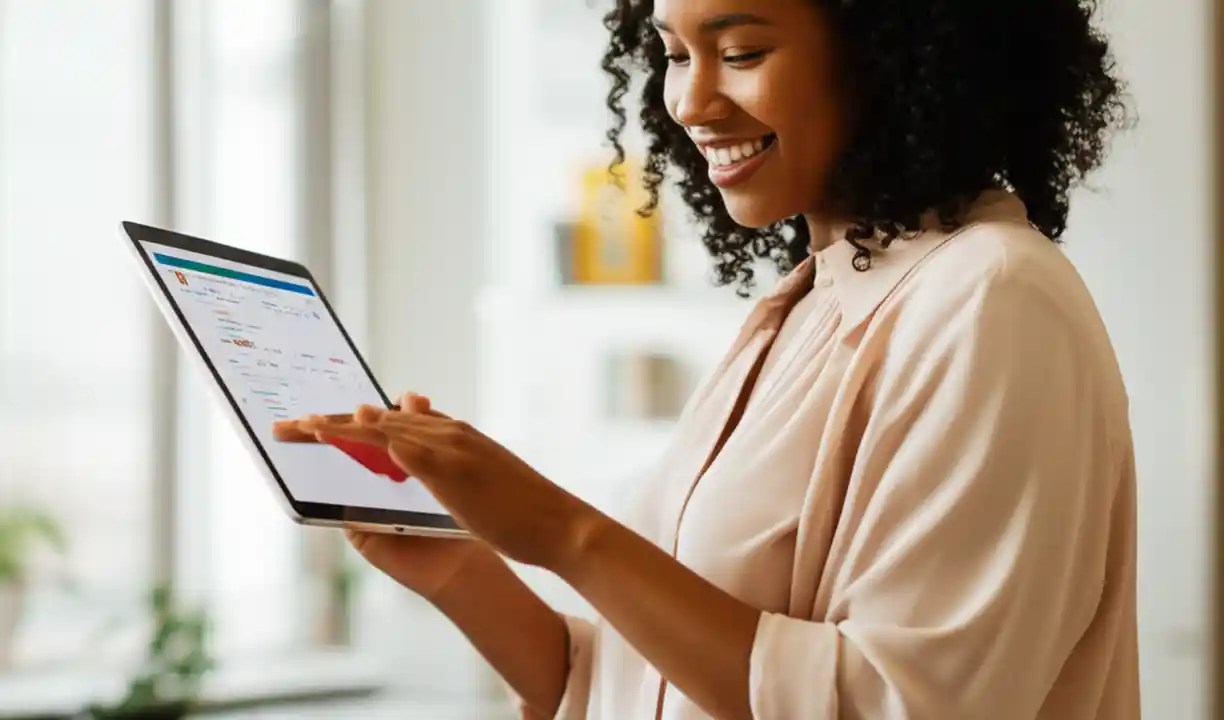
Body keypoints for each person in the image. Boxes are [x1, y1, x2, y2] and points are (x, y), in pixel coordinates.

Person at [276, 0, 1136, 717]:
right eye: (673, 53)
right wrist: (462, 566)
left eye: (741, 51)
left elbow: (899, 703)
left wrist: (565, 534)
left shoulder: (993, 297)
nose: (689, 101)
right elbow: (640, 685)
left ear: (888, 50)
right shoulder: (805, 306)